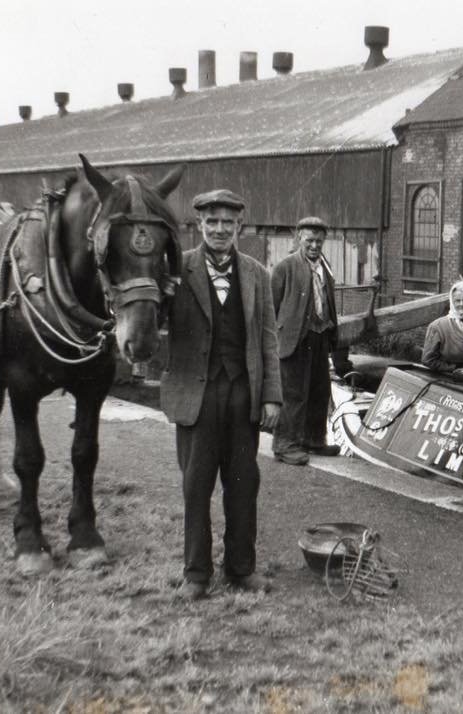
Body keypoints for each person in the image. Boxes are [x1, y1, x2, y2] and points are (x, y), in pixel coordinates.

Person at [160, 189, 282, 601]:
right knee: (196, 487)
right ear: (199, 225)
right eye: (211, 222)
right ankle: (196, 574)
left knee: (244, 485)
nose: (218, 229)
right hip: (196, 398)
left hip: (242, 397)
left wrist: (272, 397)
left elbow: (268, 339)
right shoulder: (176, 270)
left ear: (239, 227)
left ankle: (240, 569)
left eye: (227, 223)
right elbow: (151, 316)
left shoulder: (256, 274)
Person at [270, 216, 342, 465]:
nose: (314, 246)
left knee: (319, 390)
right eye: (309, 240)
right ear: (299, 238)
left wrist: (332, 330)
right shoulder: (285, 267)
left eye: (319, 241)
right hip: (295, 338)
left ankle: (313, 440)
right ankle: (284, 444)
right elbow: (271, 306)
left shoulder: (325, 266)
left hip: (320, 335)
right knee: (294, 394)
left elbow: (328, 299)